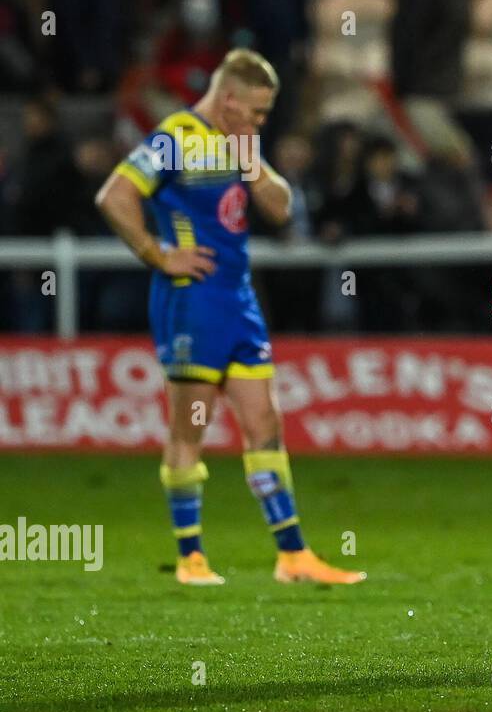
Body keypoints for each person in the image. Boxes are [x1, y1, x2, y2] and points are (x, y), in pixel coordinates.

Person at [94, 49, 365, 587]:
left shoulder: (239, 143)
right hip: (191, 300)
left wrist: (252, 159)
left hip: (238, 300)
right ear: (230, 98)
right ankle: (191, 556)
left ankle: (292, 556)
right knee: (190, 425)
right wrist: (157, 254)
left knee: (264, 424)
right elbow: (114, 195)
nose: (261, 122)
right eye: (257, 112)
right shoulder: (174, 137)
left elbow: (283, 208)